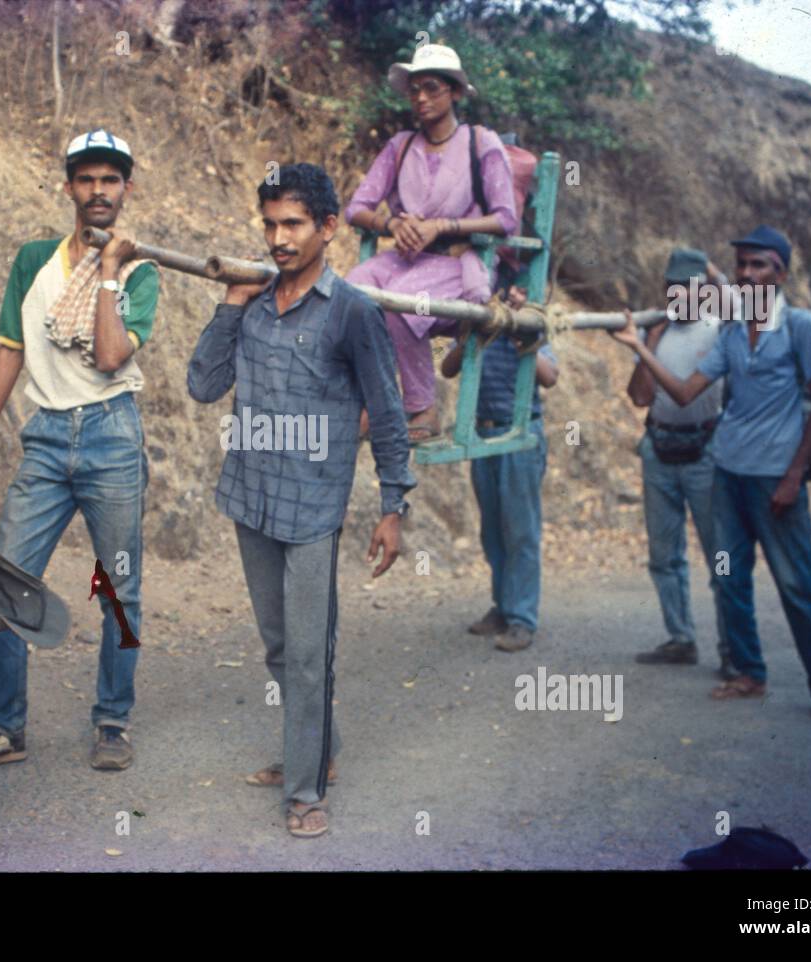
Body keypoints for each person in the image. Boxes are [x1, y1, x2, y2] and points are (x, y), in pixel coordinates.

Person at [187, 164, 415, 838]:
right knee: (281, 646)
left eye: (292, 224)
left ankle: (306, 789)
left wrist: (393, 505)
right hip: (252, 498)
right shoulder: (253, 301)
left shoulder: (352, 313)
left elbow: (389, 413)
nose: (279, 238)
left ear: (327, 228)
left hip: (315, 509)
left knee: (312, 651)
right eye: (269, 225)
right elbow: (203, 386)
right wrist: (229, 303)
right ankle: (318, 749)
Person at [0, 130, 159, 775]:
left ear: (126, 189)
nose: (99, 191)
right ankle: (4, 728)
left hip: (112, 436)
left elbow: (113, 354)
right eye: (87, 179)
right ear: (69, 187)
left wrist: (111, 273)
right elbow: (11, 347)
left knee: (119, 588)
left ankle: (112, 721)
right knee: (5, 579)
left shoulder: (141, 271)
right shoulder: (34, 259)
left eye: (111, 180)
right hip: (45, 437)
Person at [608, 225, 811, 725]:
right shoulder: (734, 333)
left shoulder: (799, 326)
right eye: (742, 265)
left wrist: (793, 475)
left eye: (759, 265)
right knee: (730, 575)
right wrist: (639, 345)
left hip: (775, 477)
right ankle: (749, 672)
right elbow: (679, 391)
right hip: (727, 473)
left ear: (780, 273)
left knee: (796, 583)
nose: (748, 273)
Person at [343, 43, 518, 442]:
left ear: (455, 92)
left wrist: (442, 226)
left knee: (401, 305)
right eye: (415, 89)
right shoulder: (401, 146)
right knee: (349, 295)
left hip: (459, 263)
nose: (421, 97)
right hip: (405, 258)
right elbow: (358, 208)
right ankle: (373, 403)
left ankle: (422, 406)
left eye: (432, 88)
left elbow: (506, 219)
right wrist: (393, 224)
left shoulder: (481, 143)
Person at [626, 248, 734, 678]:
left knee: (719, 555)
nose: (680, 295)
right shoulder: (656, 333)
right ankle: (680, 638)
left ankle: (731, 647)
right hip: (659, 446)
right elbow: (638, 396)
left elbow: (738, 299)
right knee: (663, 553)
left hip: (706, 449)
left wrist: (708, 267)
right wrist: (649, 341)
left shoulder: (718, 329)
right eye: (673, 288)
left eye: (689, 287)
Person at [442, 285, 557, 651]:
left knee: (520, 530)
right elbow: (448, 367)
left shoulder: (529, 323)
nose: (505, 298)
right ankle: (503, 607)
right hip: (483, 431)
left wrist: (522, 335)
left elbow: (550, 375)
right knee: (492, 528)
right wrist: (475, 333)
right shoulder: (475, 320)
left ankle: (523, 618)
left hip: (520, 433)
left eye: (511, 291)